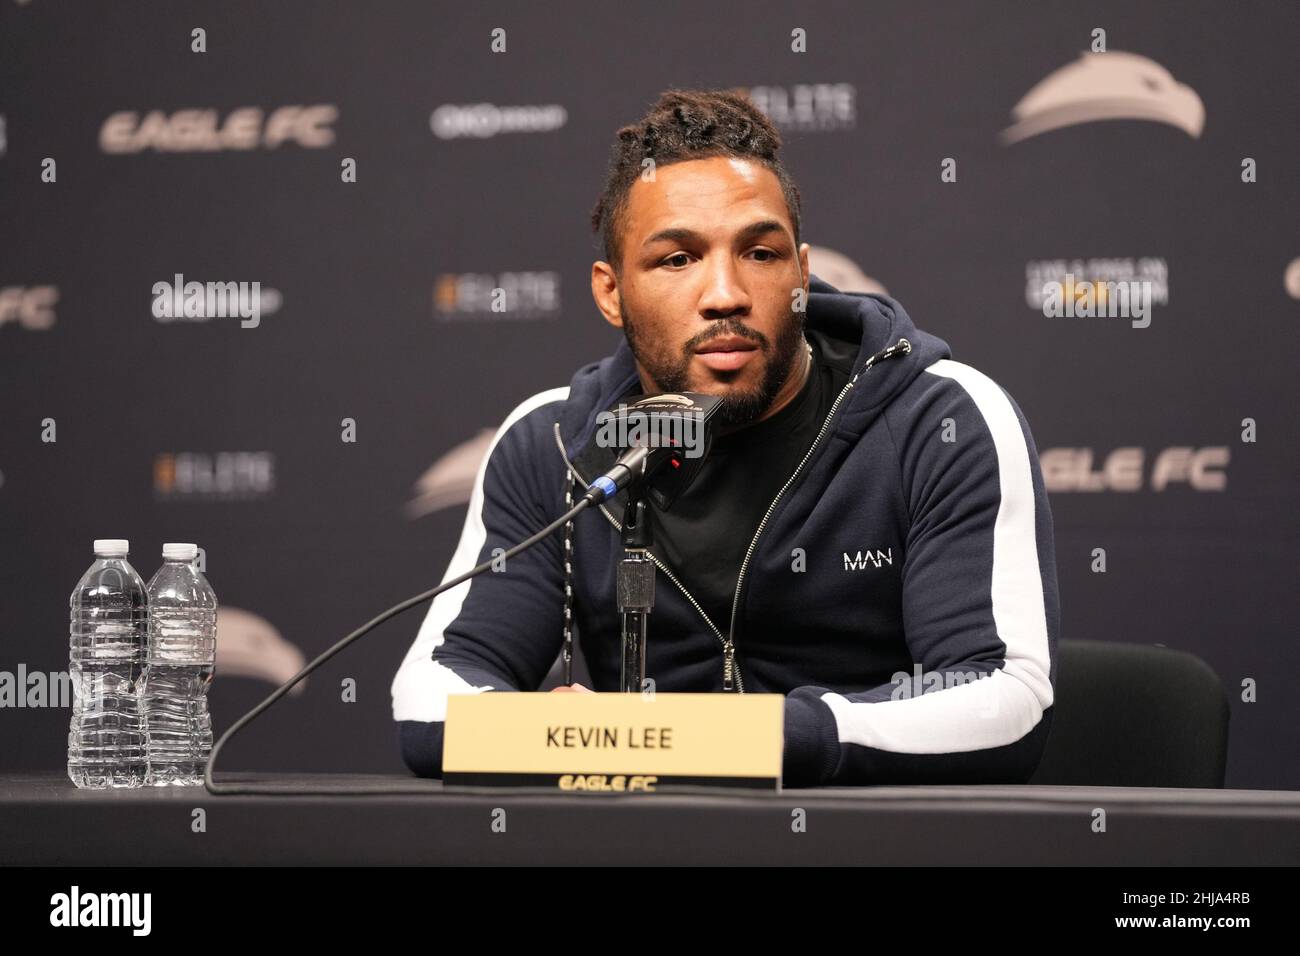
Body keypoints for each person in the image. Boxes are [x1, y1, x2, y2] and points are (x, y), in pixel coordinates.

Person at [391, 88, 1060, 787]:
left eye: (760, 254)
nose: (725, 294)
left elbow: (1003, 703)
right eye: (677, 260)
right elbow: (431, 700)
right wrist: (560, 738)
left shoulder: (941, 421)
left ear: (802, 273)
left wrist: (725, 738)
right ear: (610, 291)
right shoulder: (554, 443)